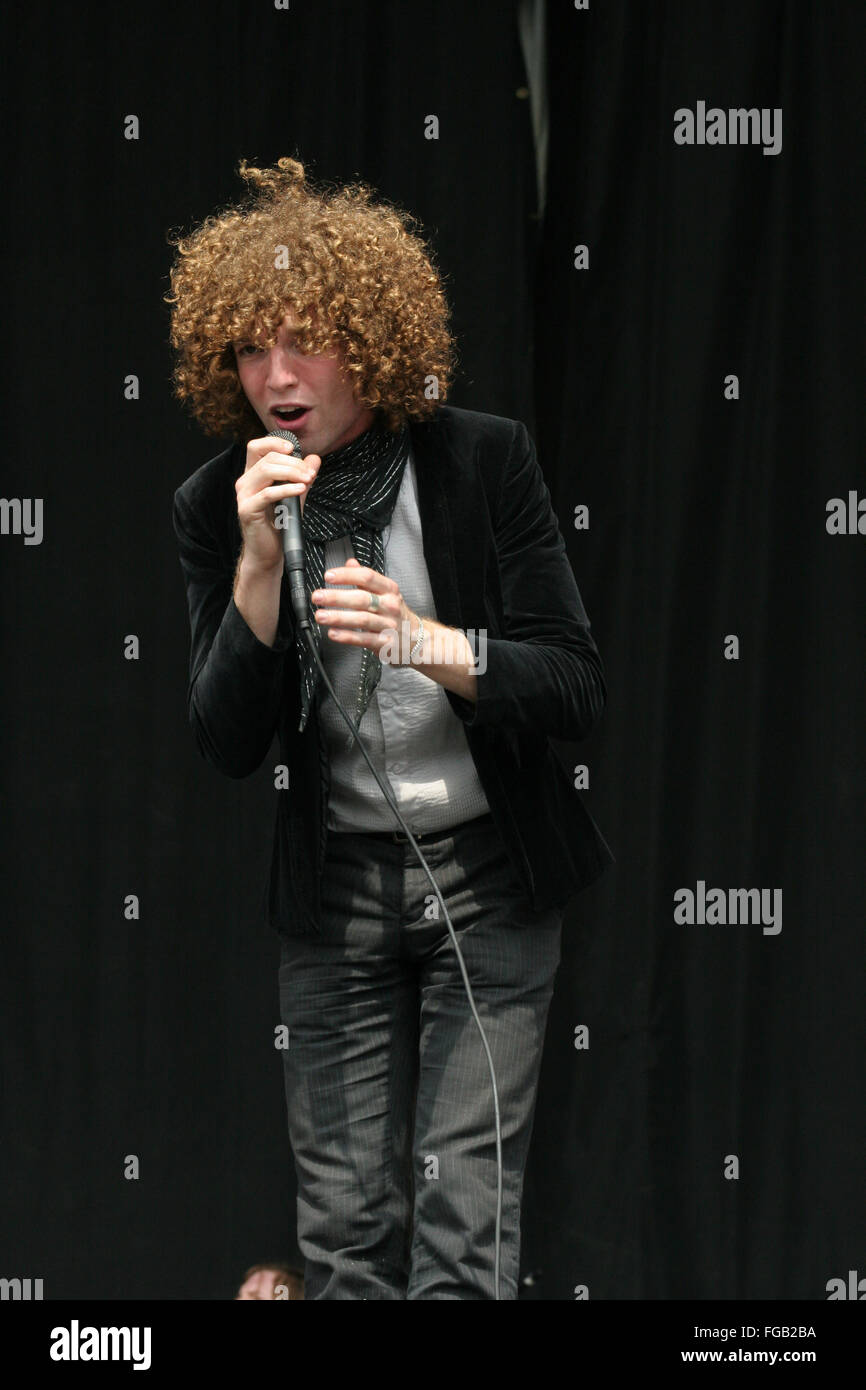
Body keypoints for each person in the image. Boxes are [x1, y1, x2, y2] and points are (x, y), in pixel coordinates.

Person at [168, 155, 614, 1301]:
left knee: (464, 1233)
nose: (275, 376)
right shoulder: (218, 504)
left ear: (368, 339)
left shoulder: (480, 459)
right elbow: (224, 741)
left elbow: (574, 686)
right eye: (250, 347)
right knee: (345, 1240)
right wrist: (260, 566)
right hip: (337, 896)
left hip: (488, 877)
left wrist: (430, 642)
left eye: (303, 340)